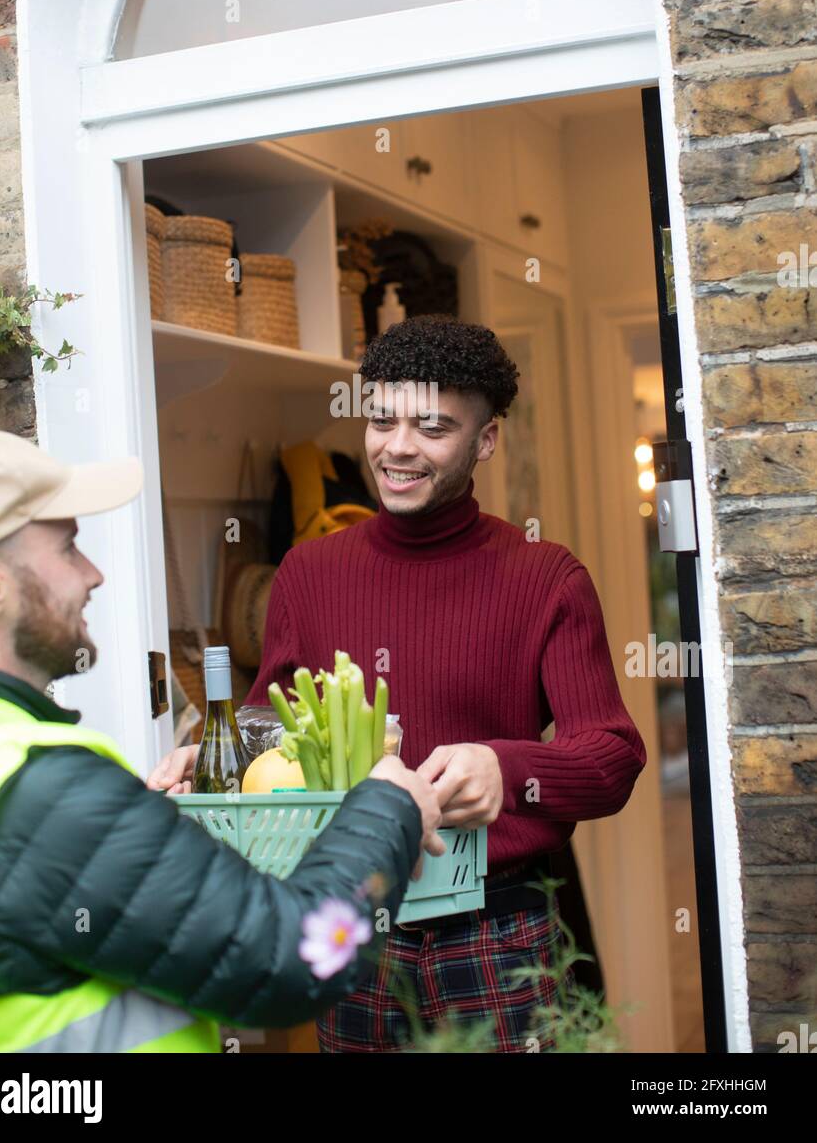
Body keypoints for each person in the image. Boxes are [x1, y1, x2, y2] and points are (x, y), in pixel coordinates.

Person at [150, 315, 648, 1053]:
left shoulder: (546, 578)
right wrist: (216, 761)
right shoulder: (309, 574)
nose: (398, 447)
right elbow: (272, 727)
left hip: (500, 934)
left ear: (485, 440)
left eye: (433, 427)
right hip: (354, 921)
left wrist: (507, 770)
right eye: (381, 419)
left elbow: (611, 756)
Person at [0, 429, 443, 1054]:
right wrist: (390, 806)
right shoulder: (35, 786)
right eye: (70, 547)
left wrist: (155, 841)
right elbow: (291, 958)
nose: (95, 574)